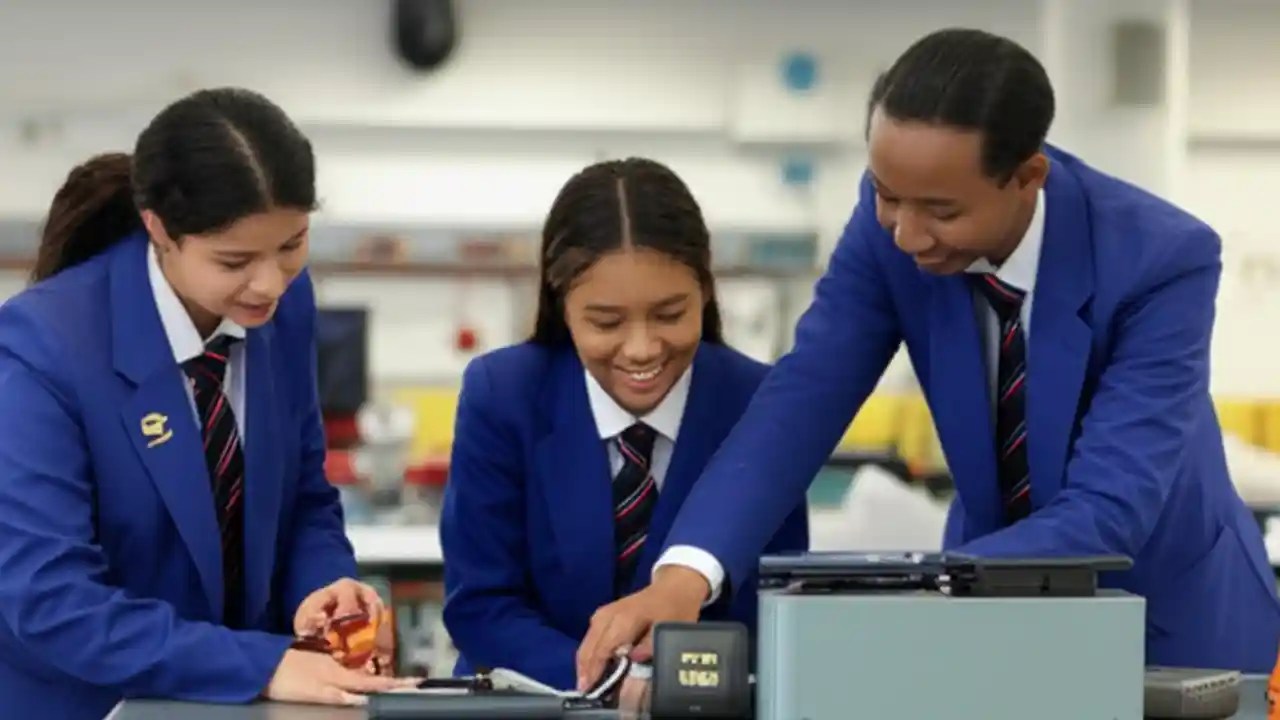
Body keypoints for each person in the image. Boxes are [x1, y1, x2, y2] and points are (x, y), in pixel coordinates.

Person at [576, 28, 1280, 685]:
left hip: (1162, 614)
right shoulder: (891, 225)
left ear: (1027, 176)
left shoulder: (1160, 259)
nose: (907, 234)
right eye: (886, 196)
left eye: (941, 212)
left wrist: (907, 585)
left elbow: (1108, 509)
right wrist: (685, 575)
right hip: (975, 608)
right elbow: (798, 406)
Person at [0, 87, 416, 720]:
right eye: (234, 260)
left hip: (246, 706)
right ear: (159, 230)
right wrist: (260, 664)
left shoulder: (285, 312)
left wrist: (324, 587)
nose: (270, 283)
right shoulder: (44, 344)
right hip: (90, 707)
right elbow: (54, 600)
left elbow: (302, 497)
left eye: (292, 246)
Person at [439, 157, 810, 693]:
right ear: (560, 303)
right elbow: (481, 605)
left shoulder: (757, 404)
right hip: (532, 700)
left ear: (706, 290)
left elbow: (770, 613)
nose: (641, 349)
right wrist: (612, 681)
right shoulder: (503, 394)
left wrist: (676, 683)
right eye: (606, 322)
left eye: (669, 314)